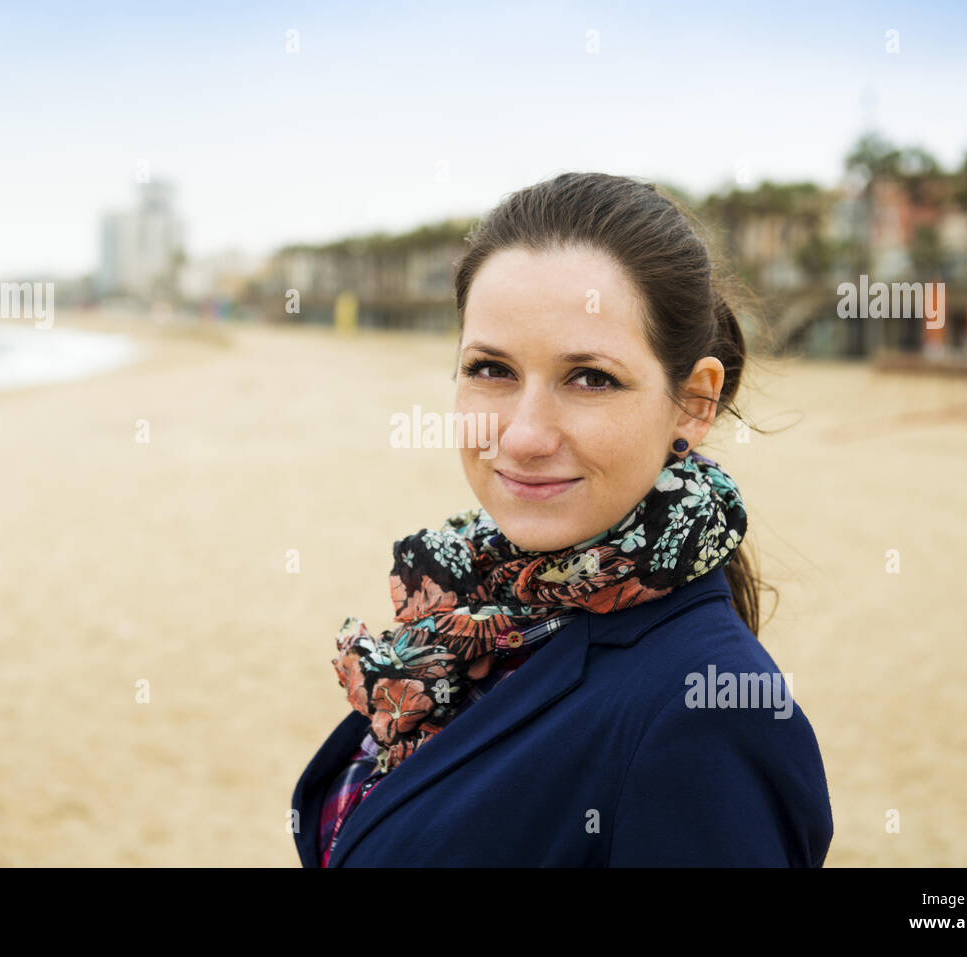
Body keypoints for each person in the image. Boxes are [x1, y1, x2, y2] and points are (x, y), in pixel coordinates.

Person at [290, 171, 833, 867]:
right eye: (492, 369)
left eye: (591, 378)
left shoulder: (713, 714)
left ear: (694, 403)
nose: (523, 435)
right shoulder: (478, 609)